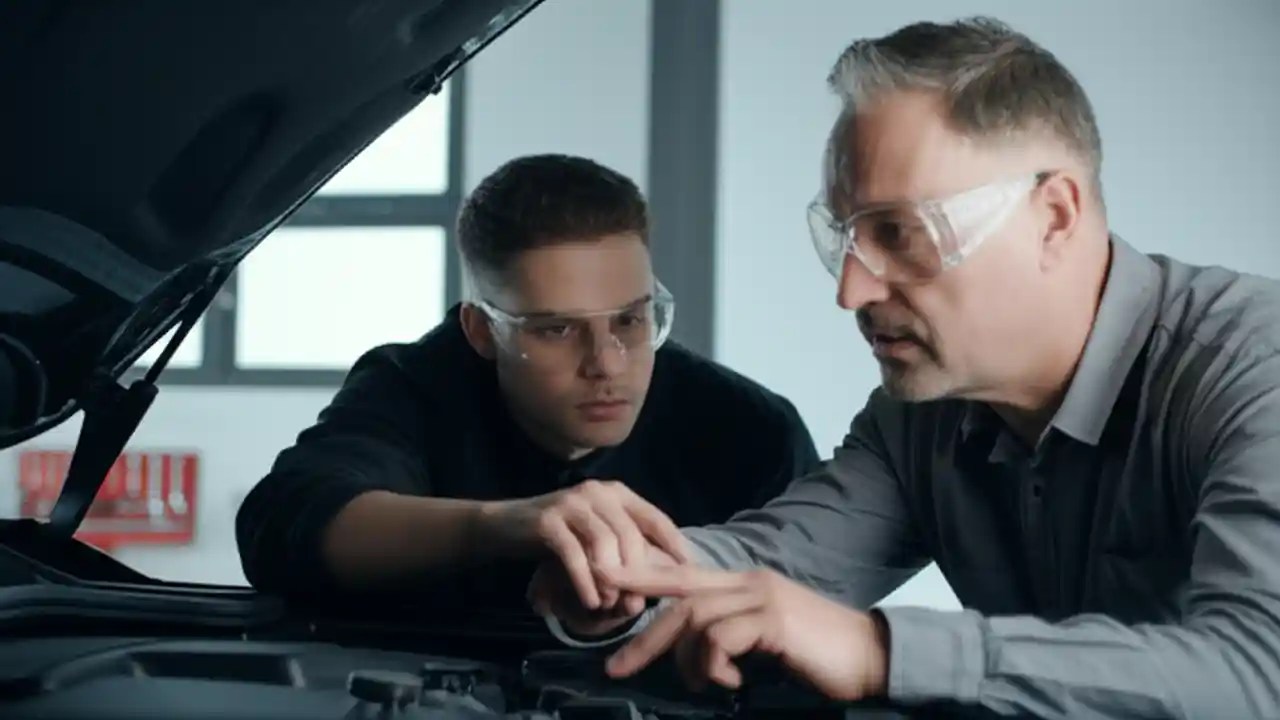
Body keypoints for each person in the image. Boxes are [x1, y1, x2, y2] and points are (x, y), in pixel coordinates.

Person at [528, 17, 1280, 719]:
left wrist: (879, 649)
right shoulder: (922, 417)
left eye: (901, 233)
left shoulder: (1256, 371)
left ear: (1054, 217)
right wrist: (629, 575)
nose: (852, 290)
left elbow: (1258, 671)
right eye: (847, 239)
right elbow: (784, 562)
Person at [235, 153, 820, 615]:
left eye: (630, 320)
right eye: (558, 329)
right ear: (482, 330)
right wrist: (505, 525)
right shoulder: (414, 386)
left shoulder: (752, 431)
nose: (608, 364)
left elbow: (812, 617)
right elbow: (284, 527)